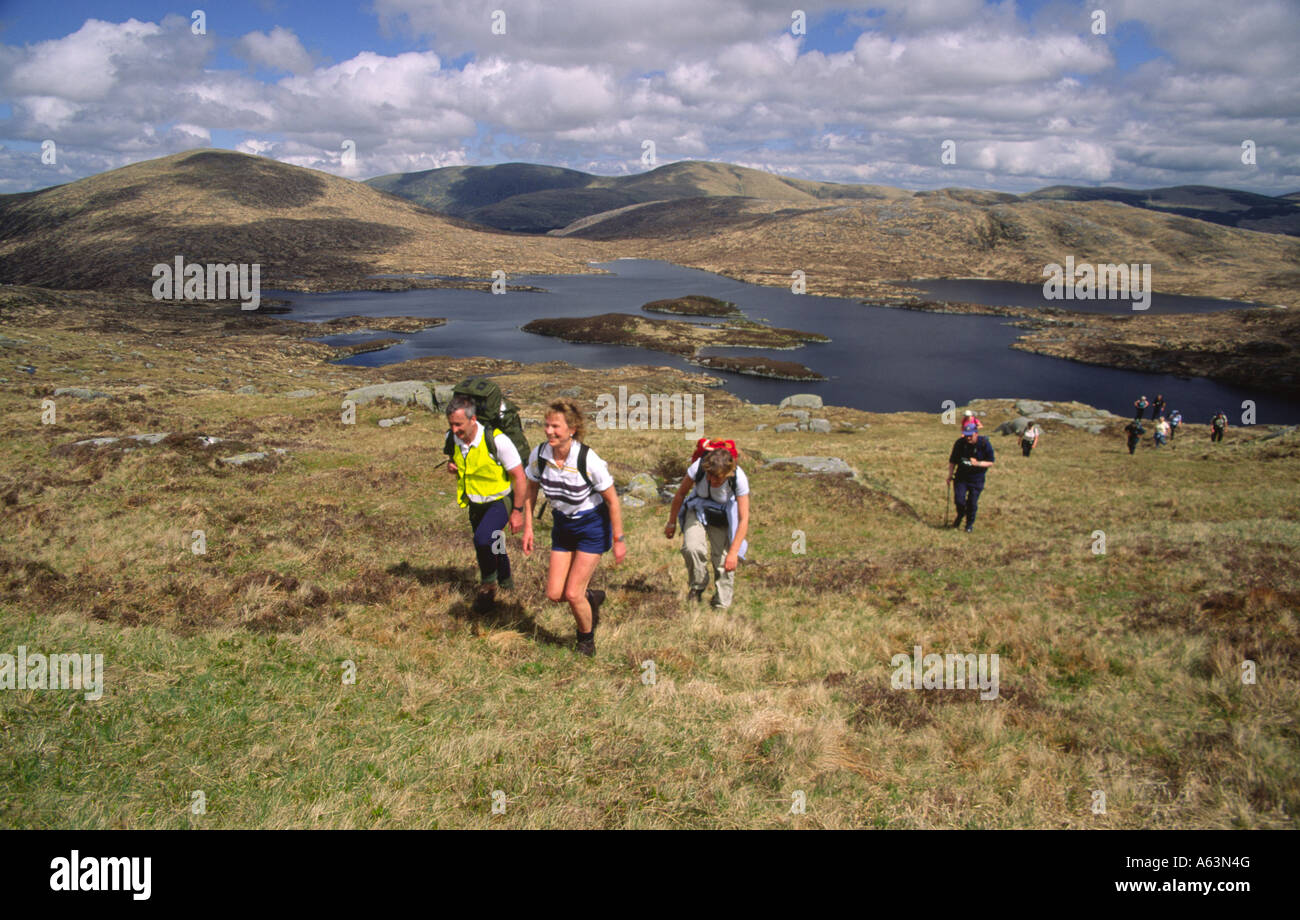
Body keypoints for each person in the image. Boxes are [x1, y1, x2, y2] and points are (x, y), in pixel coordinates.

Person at [521, 400, 625, 657]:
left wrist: (619, 538)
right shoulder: (540, 455)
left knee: (572, 592)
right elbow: (530, 488)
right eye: (546, 425)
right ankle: (590, 597)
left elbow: (612, 500)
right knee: (555, 594)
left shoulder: (588, 459)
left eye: (555, 426)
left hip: (592, 526)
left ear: (572, 429)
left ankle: (585, 641)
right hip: (563, 526)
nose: (548, 431)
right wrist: (528, 527)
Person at [444, 394, 526, 613]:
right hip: (475, 502)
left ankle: (488, 585)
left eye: (458, 424)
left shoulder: (497, 440)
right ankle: (506, 578)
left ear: (473, 419)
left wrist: (517, 511)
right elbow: (460, 462)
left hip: (501, 500)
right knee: (494, 540)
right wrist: (454, 467)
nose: (454, 430)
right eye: (451, 424)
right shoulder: (454, 438)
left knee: (482, 540)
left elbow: (519, 475)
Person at [666, 440, 750, 609]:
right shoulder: (698, 467)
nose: (712, 482)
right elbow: (680, 494)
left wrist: (734, 552)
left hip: (723, 515)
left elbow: (743, 518)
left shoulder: (739, 478)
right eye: (709, 477)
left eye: (717, 479)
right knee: (692, 548)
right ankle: (697, 586)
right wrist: (671, 522)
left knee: (724, 559)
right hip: (697, 507)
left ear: (728, 474)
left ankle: (721, 604)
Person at [947, 422, 995, 532]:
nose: (968, 437)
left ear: (976, 433)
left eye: (970, 435)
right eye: (966, 435)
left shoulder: (984, 444)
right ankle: (960, 515)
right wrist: (950, 475)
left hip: (976, 479)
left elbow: (990, 462)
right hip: (961, 477)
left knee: (972, 503)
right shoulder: (960, 443)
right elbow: (952, 461)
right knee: (959, 500)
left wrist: (977, 464)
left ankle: (969, 525)